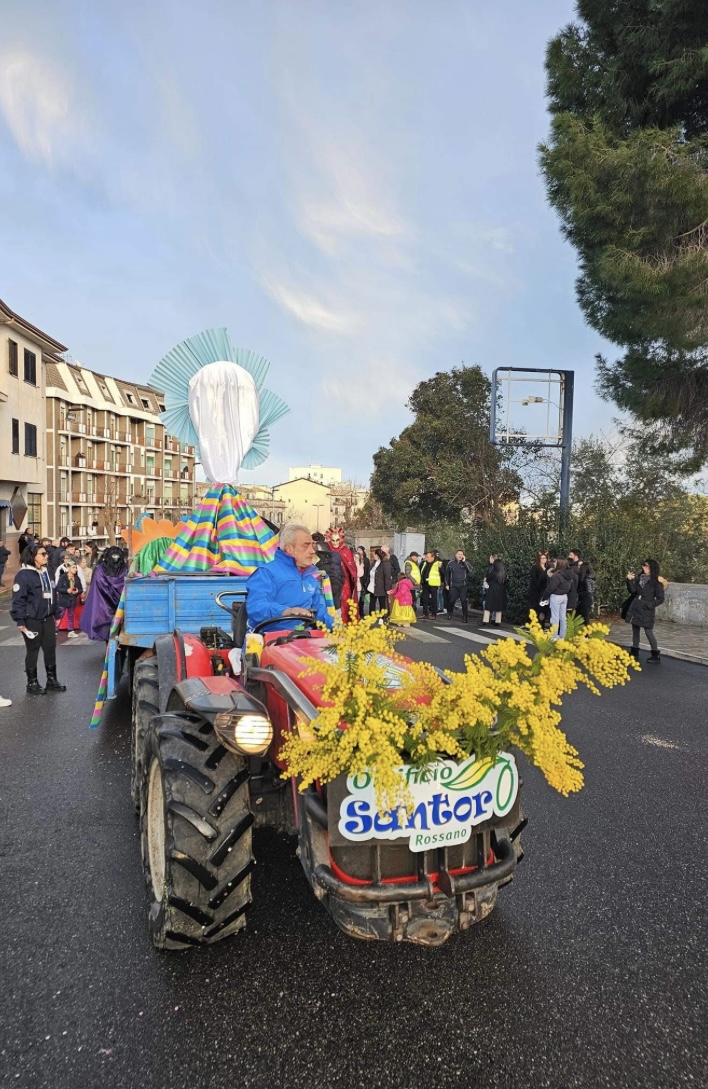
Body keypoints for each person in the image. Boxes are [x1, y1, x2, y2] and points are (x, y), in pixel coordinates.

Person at [245, 524, 334, 632]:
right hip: (271, 638)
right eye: (306, 546)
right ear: (289, 549)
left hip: (303, 637)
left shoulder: (311, 575)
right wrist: (285, 611)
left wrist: (342, 628)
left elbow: (320, 611)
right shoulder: (266, 573)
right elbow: (256, 606)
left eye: (312, 545)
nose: (312, 551)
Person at [10, 542, 66, 694]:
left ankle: (52, 680)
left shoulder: (46, 572)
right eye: (42, 554)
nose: (46, 556)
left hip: (47, 617)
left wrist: (56, 613)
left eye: (46, 553)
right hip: (31, 619)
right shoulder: (23, 576)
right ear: (33, 557)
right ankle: (32, 683)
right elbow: (18, 600)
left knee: (50, 649)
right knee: (33, 649)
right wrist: (20, 621)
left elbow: (53, 593)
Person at [625, 559, 665, 664]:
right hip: (636, 606)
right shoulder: (639, 578)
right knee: (635, 630)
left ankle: (655, 654)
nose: (644, 568)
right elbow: (633, 591)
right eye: (643, 565)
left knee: (648, 631)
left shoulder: (656, 581)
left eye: (646, 566)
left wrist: (649, 605)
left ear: (652, 567)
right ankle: (634, 652)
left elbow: (660, 598)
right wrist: (629, 581)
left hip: (647, 609)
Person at [312, 532, 343, 610]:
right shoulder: (322, 562)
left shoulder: (327, 563)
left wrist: (321, 590)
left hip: (330, 605)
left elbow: (336, 584)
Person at [545, 557, 574, 639]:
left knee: (555, 618)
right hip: (564, 596)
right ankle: (562, 635)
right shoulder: (569, 574)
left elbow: (550, 588)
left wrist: (545, 597)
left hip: (556, 596)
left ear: (560, 564)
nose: (554, 564)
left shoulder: (557, 575)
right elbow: (571, 587)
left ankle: (554, 636)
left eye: (556, 563)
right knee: (563, 617)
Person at [568, 549, 595, 624]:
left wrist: (578, 594)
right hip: (582, 598)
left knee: (584, 616)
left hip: (584, 598)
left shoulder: (586, 578)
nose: (578, 567)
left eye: (571, 555)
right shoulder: (583, 576)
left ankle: (586, 634)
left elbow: (588, 591)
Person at [56, 560, 82, 637]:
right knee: (60, 615)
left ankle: (71, 630)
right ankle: (55, 630)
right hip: (63, 599)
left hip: (72, 599)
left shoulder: (77, 578)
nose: (75, 569)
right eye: (73, 567)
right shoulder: (63, 577)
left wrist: (77, 591)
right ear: (69, 568)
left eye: (76, 568)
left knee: (71, 615)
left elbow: (80, 589)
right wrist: (66, 590)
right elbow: (58, 588)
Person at [445, 549, 472, 622]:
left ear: (463, 556)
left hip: (463, 585)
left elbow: (469, 571)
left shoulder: (465, 563)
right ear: (455, 555)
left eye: (461, 554)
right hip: (454, 585)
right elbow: (447, 574)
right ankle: (450, 613)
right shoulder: (450, 563)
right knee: (451, 601)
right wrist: (447, 584)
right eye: (458, 554)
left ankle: (465, 617)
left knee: (464, 601)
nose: (460, 555)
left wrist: (464, 562)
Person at [481, 556, 507, 628]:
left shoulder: (494, 572)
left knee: (488, 605)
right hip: (501, 590)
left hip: (492, 589)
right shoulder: (503, 573)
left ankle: (486, 620)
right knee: (499, 606)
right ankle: (497, 621)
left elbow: (488, 579)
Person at [419, 551, 443, 620]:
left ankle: (433, 614)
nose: (427, 558)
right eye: (426, 557)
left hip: (433, 584)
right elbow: (420, 570)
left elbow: (443, 573)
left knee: (433, 600)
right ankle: (425, 614)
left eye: (428, 557)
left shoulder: (437, 563)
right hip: (425, 584)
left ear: (433, 557)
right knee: (425, 599)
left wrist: (441, 568)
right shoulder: (425, 563)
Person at [528, 551, 549, 627]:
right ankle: (533, 623)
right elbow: (534, 578)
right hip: (535, 591)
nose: (544, 559)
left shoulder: (547, 568)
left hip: (543, 591)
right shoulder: (535, 567)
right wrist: (538, 586)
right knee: (534, 607)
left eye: (545, 558)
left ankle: (541, 623)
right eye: (542, 558)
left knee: (542, 608)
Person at [372, 547, 393, 614]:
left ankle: (383, 616)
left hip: (382, 586)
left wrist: (388, 588)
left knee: (382, 603)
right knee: (373, 602)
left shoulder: (385, 563)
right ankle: (371, 616)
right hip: (373, 585)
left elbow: (387, 577)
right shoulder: (375, 563)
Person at [355, 546, 370, 617]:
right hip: (357, 583)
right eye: (357, 550)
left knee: (362, 599)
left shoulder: (365, 560)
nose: (359, 551)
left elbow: (367, 571)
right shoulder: (355, 561)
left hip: (363, 582)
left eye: (360, 550)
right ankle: (357, 613)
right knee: (357, 599)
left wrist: (366, 582)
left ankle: (361, 612)